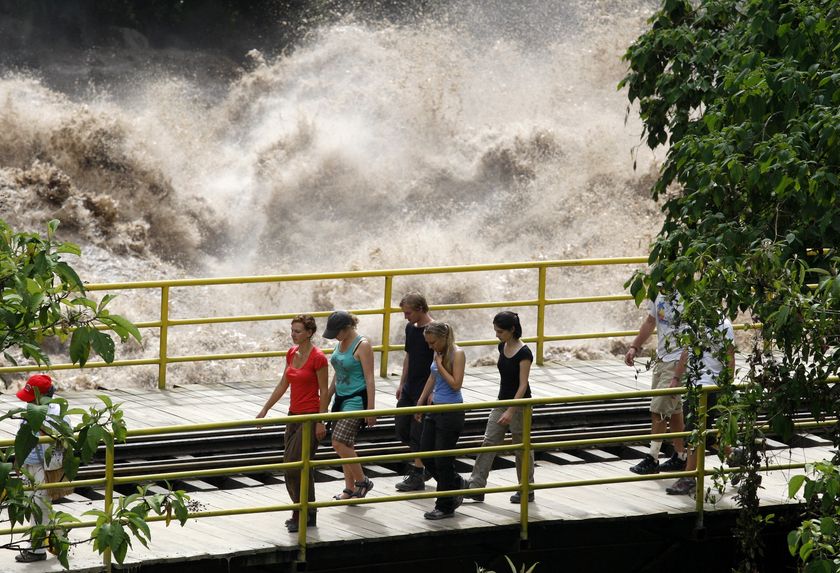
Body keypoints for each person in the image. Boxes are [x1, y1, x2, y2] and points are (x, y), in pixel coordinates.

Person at [257, 315, 329, 532]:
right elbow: (282, 384)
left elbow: (324, 391)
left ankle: (301, 513)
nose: (293, 334)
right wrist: (265, 409)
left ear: (309, 332)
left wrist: (320, 421)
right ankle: (307, 512)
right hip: (293, 416)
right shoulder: (291, 353)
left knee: (294, 466)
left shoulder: (319, 358)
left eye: (297, 331)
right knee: (298, 467)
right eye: (292, 330)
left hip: (309, 417)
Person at [467, 311, 535, 503]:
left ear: (512, 330)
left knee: (521, 447)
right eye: (495, 330)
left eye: (500, 331)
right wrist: (503, 407)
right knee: (489, 441)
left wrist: (511, 410)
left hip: (520, 405)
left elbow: (523, 385)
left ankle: (526, 488)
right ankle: (476, 486)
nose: (497, 334)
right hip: (501, 401)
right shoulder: (501, 347)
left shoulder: (524, 353)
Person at [666, 317, 736, 495]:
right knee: (706, 435)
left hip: (711, 385)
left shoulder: (724, 325)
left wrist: (727, 387)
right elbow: (686, 352)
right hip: (694, 384)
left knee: (695, 431)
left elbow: (730, 355)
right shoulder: (694, 321)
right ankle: (736, 456)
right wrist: (676, 378)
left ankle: (689, 477)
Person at [624, 291, 688, 474]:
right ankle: (681, 455)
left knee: (658, 409)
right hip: (662, 359)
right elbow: (650, 322)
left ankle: (652, 458)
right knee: (675, 410)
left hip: (678, 360)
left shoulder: (688, 295)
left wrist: (678, 374)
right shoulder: (658, 292)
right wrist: (634, 347)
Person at [415, 321, 467, 520]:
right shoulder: (437, 352)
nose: (430, 346)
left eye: (433, 342)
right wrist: (420, 403)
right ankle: (454, 484)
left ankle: (445, 505)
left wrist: (439, 365)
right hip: (435, 408)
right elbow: (432, 378)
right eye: (428, 343)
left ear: (444, 338)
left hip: (451, 411)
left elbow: (456, 384)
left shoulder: (457, 353)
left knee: (442, 460)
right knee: (426, 454)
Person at [323, 311, 376, 500]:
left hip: (356, 400)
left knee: (337, 443)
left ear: (347, 328)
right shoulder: (340, 343)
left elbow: (369, 378)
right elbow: (337, 373)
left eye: (337, 332)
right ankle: (349, 489)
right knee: (347, 444)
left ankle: (363, 482)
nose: (335, 336)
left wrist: (371, 410)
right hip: (340, 399)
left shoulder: (363, 345)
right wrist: (327, 398)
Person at [15, 374, 65, 563]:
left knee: (39, 506)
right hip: (31, 465)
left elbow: (62, 435)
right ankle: (60, 540)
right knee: (38, 505)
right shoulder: (32, 410)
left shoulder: (55, 412)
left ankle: (36, 550)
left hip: (45, 467)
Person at [394, 293, 434, 492]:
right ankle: (425, 462)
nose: (405, 317)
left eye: (408, 313)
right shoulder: (411, 328)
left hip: (425, 388)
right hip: (410, 387)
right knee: (402, 427)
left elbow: (439, 362)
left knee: (418, 432)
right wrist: (401, 383)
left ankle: (418, 472)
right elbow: (408, 356)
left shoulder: (434, 330)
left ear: (420, 309)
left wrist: (432, 391)